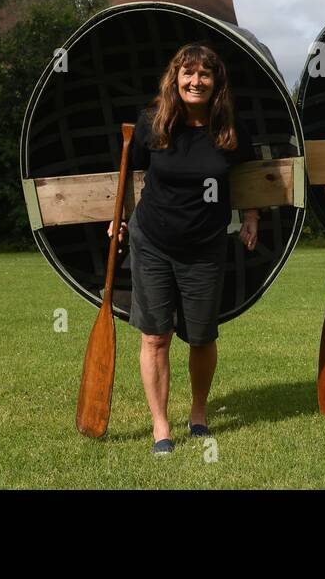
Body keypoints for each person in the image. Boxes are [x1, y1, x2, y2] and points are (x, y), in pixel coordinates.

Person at [109, 43, 258, 453]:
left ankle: (198, 413)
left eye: (205, 74)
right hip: (153, 241)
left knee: (201, 337)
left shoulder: (230, 130)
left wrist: (251, 216)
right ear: (175, 79)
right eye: (188, 73)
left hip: (206, 246)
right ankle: (161, 427)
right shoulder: (152, 124)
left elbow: (250, 174)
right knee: (155, 336)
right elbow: (128, 172)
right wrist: (119, 216)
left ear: (216, 83)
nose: (196, 81)